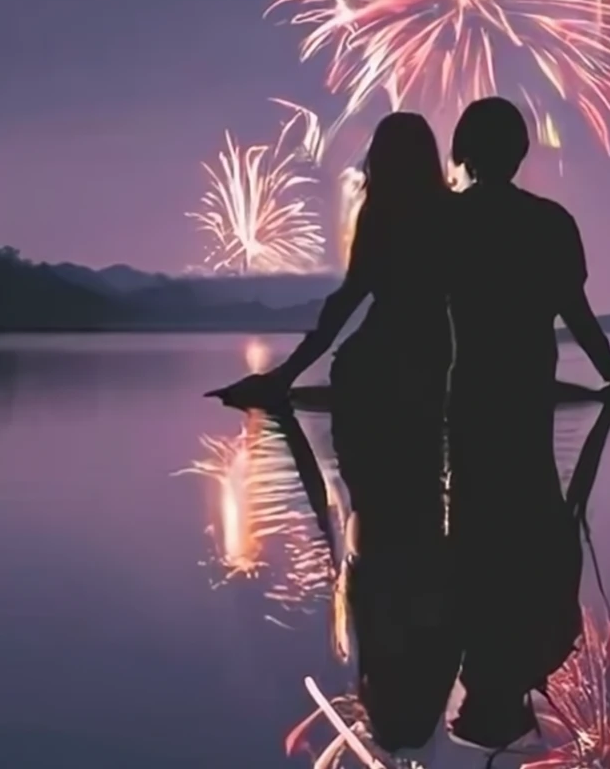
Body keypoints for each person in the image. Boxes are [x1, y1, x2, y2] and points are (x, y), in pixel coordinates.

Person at [208, 112, 458, 752]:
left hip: (380, 367)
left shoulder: (385, 214)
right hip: (431, 363)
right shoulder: (451, 214)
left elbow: (349, 300)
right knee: (422, 492)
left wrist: (288, 374)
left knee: (375, 487)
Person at [444, 97, 610, 750]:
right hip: (525, 399)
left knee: (468, 517)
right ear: (519, 153)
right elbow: (572, 309)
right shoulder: (550, 221)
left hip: (466, 400)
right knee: (530, 502)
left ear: (463, 151)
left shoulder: (445, 221)